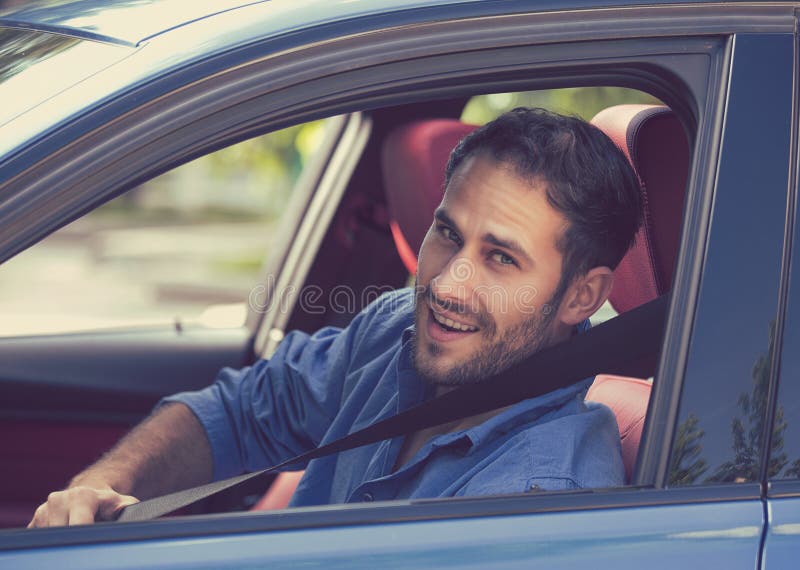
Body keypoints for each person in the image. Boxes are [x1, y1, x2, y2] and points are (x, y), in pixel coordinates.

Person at [28, 107, 642, 527]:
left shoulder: (540, 504)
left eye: (501, 258)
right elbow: (240, 412)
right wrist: (99, 487)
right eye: (447, 234)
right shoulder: (394, 333)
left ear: (581, 297)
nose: (448, 285)